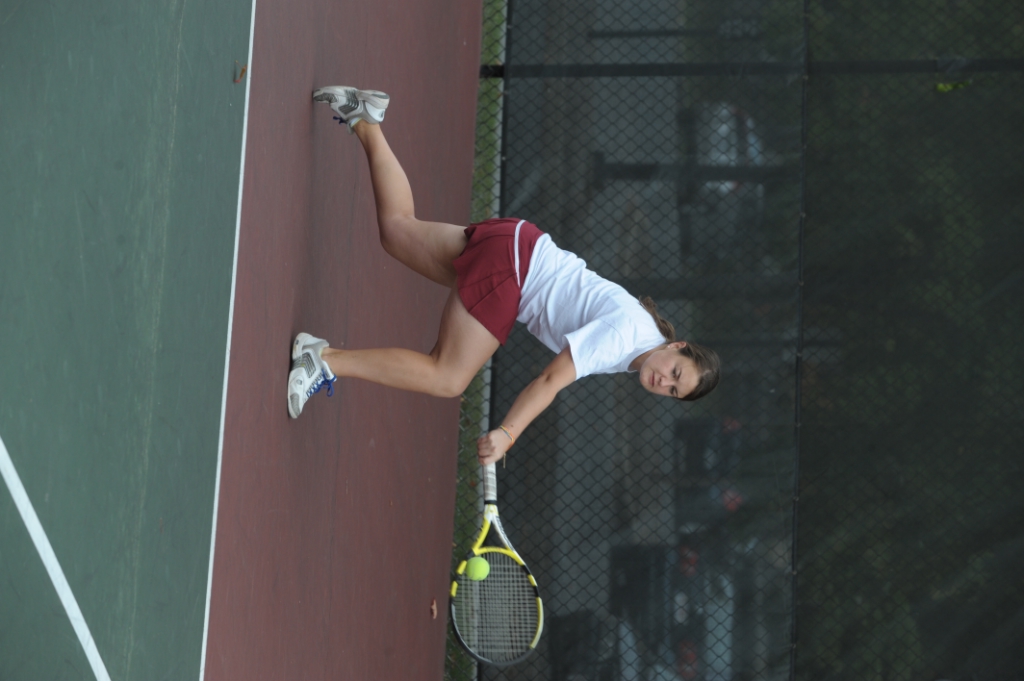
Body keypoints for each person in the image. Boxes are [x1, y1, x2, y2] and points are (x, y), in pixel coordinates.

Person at [288, 86, 721, 466]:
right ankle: (322, 360)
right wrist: (509, 434)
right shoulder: (627, 336)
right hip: (514, 273)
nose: (663, 383)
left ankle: (365, 119)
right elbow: (550, 380)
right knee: (447, 377)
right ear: (677, 346)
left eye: (672, 392)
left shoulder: (637, 347)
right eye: (675, 373)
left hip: (518, 244)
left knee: (398, 233)